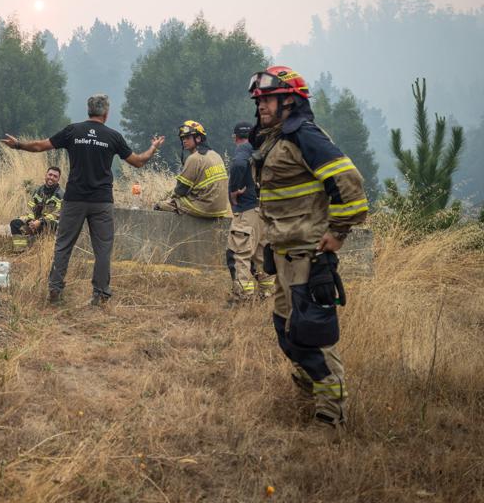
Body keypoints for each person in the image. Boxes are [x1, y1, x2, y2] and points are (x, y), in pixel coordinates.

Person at [249, 65, 369, 428]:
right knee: (287, 331)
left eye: (267, 100)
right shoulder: (273, 138)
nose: (261, 108)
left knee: (313, 336)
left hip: (308, 255)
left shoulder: (306, 135)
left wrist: (338, 232)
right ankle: (307, 392)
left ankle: (330, 417)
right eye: (259, 102)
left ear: (290, 101)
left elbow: (349, 183)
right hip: (283, 253)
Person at [0, 94, 164, 306]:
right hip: (102, 201)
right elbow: (139, 162)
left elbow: (40, 146)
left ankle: (55, 290)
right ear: (106, 113)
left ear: (88, 111)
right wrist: (154, 147)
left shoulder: (73, 131)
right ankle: (100, 295)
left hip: (74, 199)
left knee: (63, 245)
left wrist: (18, 145)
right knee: (103, 249)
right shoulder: (113, 136)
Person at [226, 121, 275, 302]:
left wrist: (234, 190)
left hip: (247, 212)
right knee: (260, 255)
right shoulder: (260, 150)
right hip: (262, 210)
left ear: (235, 137)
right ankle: (267, 294)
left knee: (239, 254)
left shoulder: (243, 149)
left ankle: (243, 297)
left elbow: (238, 165)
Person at [153, 120, 231, 218]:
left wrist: (167, 199)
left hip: (204, 208)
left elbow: (181, 190)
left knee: (161, 206)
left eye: (187, 138)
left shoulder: (194, 158)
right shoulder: (216, 155)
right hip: (220, 210)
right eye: (182, 138)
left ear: (198, 138)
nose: (184, 141)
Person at [10, 166, 63, 249]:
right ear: (46, 175)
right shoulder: (38, 190)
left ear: (58, 179)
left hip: (47, 225)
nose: (51, 178)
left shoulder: (61, 194)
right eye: (50, 174)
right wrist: (31, 221)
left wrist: (40, 222)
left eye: (55, 176)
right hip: (34, 224)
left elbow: (57, 214)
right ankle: (20, 249)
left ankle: (44, 246)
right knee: (15, 223)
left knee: (54, 224)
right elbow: (30, 207)